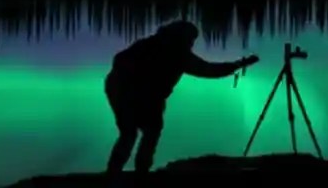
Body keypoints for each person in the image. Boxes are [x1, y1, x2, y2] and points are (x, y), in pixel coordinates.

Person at [104, 20, 258, 174]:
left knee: (136, 132)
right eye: (190, 40)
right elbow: (208, 70)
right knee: (143, 131)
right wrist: (237, 65)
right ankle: (134, 170)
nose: (191, 44)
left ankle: (122, 170)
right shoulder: (176, 53)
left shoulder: (152, 45)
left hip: (125, 90)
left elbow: (119, 59)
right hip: (128, 91)